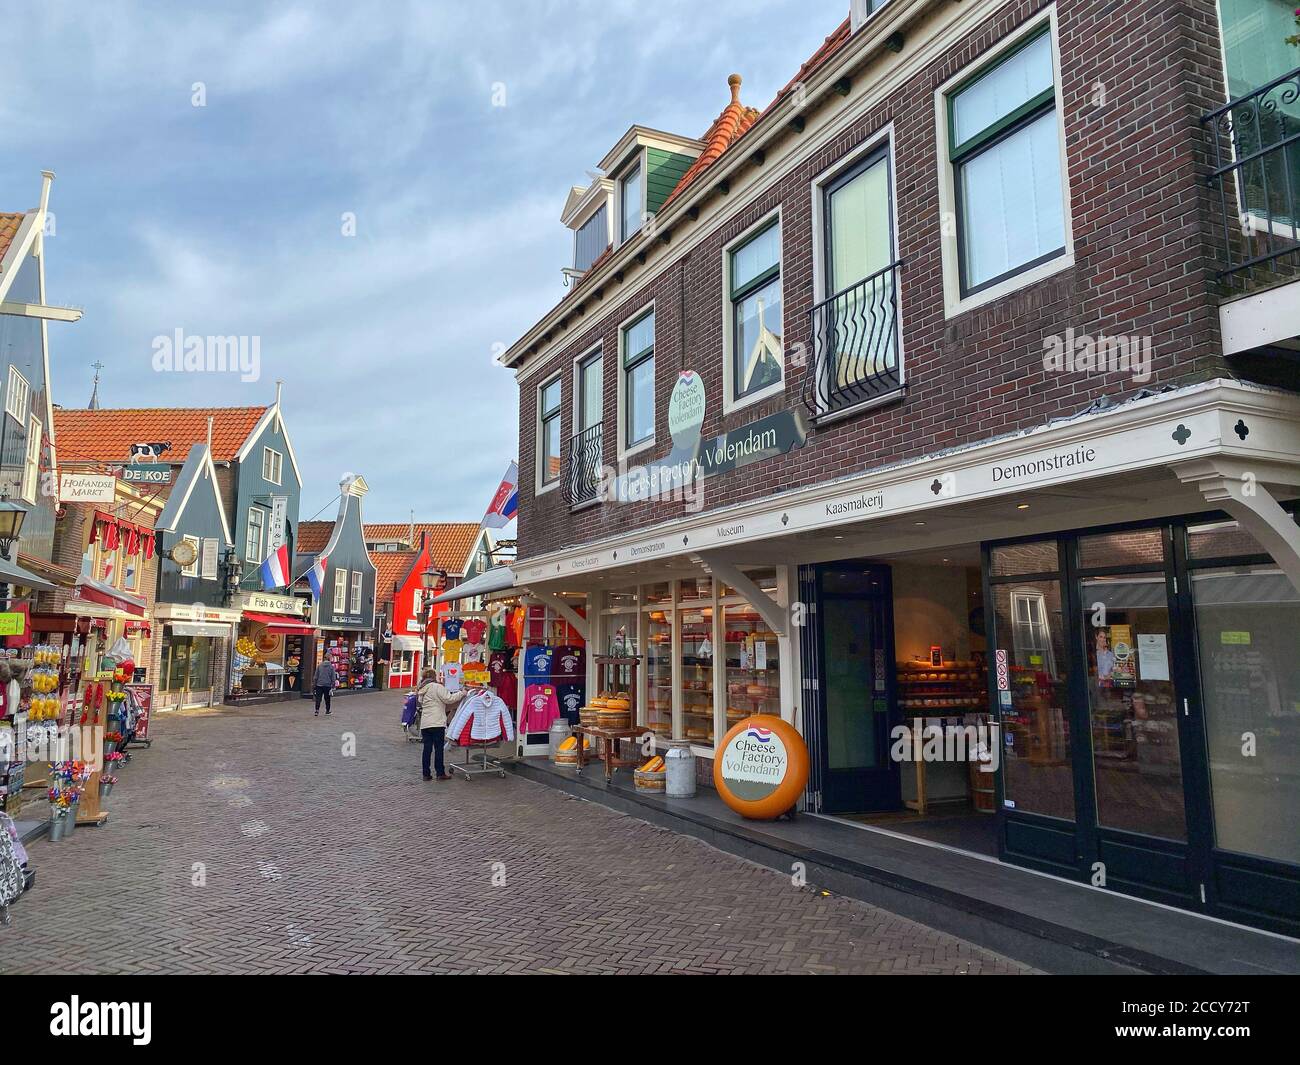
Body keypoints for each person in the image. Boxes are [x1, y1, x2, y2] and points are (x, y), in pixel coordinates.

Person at [417, 668, 464, 781]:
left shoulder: (422, 689)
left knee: (427, 749)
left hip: (425, 723)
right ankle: (440, 773)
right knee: (438, 748)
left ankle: (426, 774)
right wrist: (462, 693)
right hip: (437, 722)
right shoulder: (437, 687)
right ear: (434, 677)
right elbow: (449, 698)